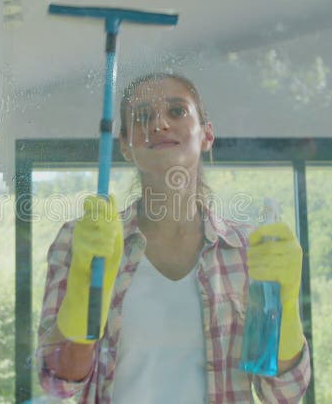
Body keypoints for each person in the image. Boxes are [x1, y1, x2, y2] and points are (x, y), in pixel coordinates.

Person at [36, 73, 311, 403]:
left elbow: (283, 393)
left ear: (207, 134)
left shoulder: (248, 250)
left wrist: (286, 305)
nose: (160, 124)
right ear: (124, 144)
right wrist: (84, 285)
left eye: (177, 111)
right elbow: (59, 385)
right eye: (142, 117)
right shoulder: (81, 240)